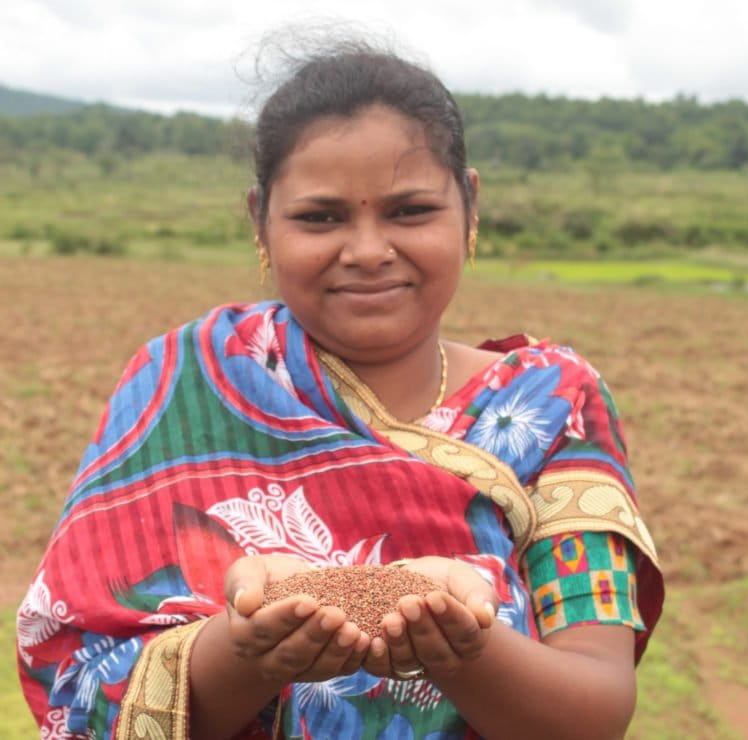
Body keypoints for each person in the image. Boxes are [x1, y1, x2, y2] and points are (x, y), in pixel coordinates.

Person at [17, 37, 663, 740]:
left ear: (469, 206)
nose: (367, 250)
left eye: (410, 211)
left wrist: (463, 646)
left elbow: (595, 707)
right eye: (320, 218)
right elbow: (80, 684)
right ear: (261, 218)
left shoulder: (550, 405)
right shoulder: (183, 380)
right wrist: (247, 649)